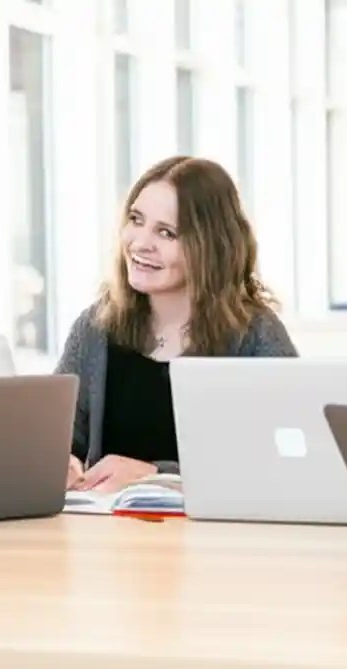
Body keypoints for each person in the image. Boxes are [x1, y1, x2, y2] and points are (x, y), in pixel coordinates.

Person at [57, 156, 297, 493]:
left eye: (166, 233)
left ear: (210, 247)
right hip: (107, 536)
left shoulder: (255, 335)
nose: (140, 243)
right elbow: (58, 436)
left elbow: (283, 462)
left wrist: (158, 476)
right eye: (136, 220)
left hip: (213, 539)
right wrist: (60, 461)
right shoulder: (95, 328)